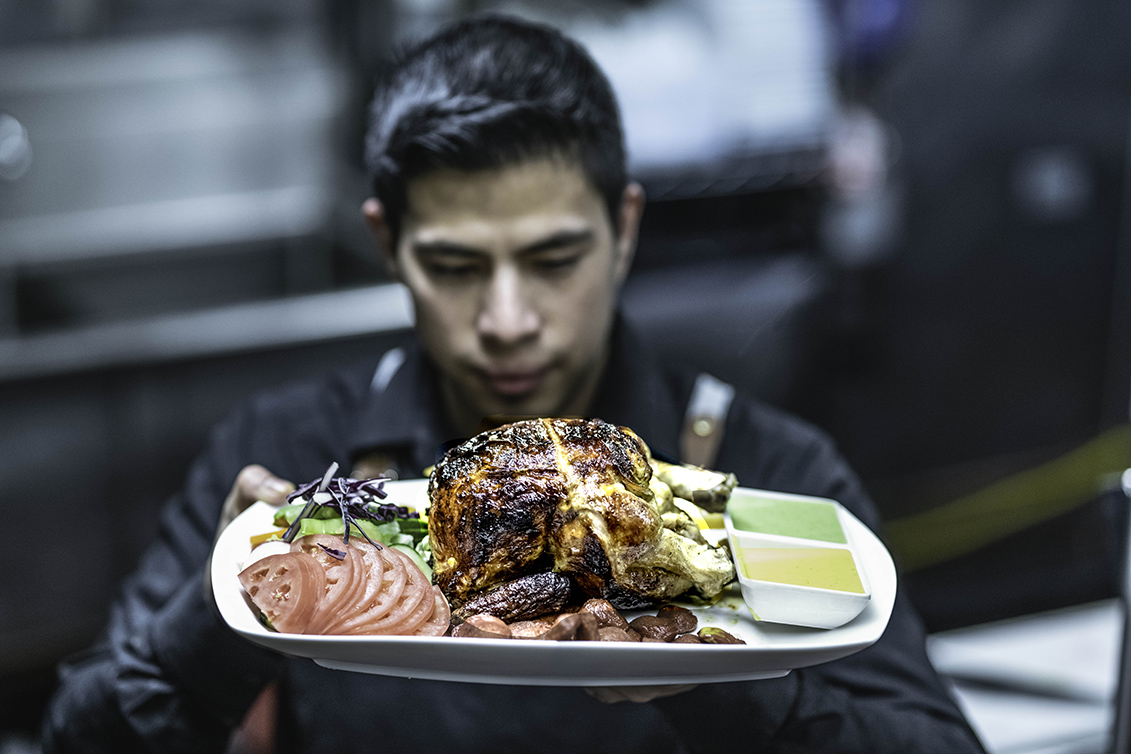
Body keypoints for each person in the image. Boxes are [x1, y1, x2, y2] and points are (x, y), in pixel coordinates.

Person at [41, 15, 986, 754]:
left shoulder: (763, 475)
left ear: (623, 230)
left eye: (552, 258)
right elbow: (80, 739)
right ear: (387, 245)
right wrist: (226, 615)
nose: (505, 318)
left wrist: (729, 686)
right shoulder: (293, 463)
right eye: (455, 266)